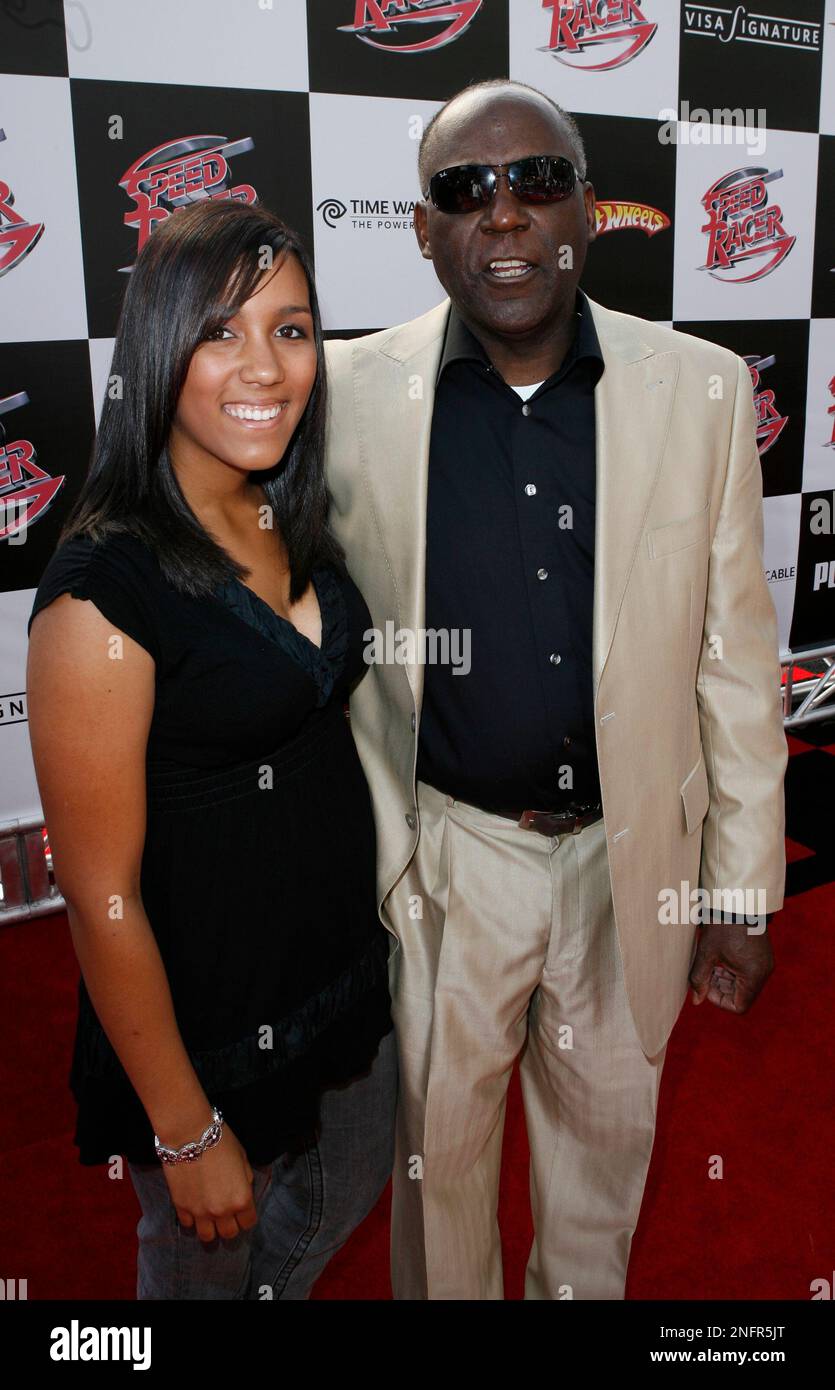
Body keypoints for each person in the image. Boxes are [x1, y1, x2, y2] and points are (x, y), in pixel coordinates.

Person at [323, 78, 787, 1300]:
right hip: (448, 864)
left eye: (537, 182)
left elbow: (734, 660)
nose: (506, 216)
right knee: (444, 1186)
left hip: (628, 865)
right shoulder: (347, 397)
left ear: (590, 208)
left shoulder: (700, 389)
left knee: (599, 1184)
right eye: (464, 192)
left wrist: (738, 888)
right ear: (424, 231)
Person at [26, 199, 397, 1301]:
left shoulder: (291, 509)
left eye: (291, 329)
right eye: (219, 331)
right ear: (156, 353)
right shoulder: (106, 591)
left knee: (351, 1180)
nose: (265, 366)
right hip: (209, 1032)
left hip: (340, 979)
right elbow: (98, 899)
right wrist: (185, 1129)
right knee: (196, 1272)